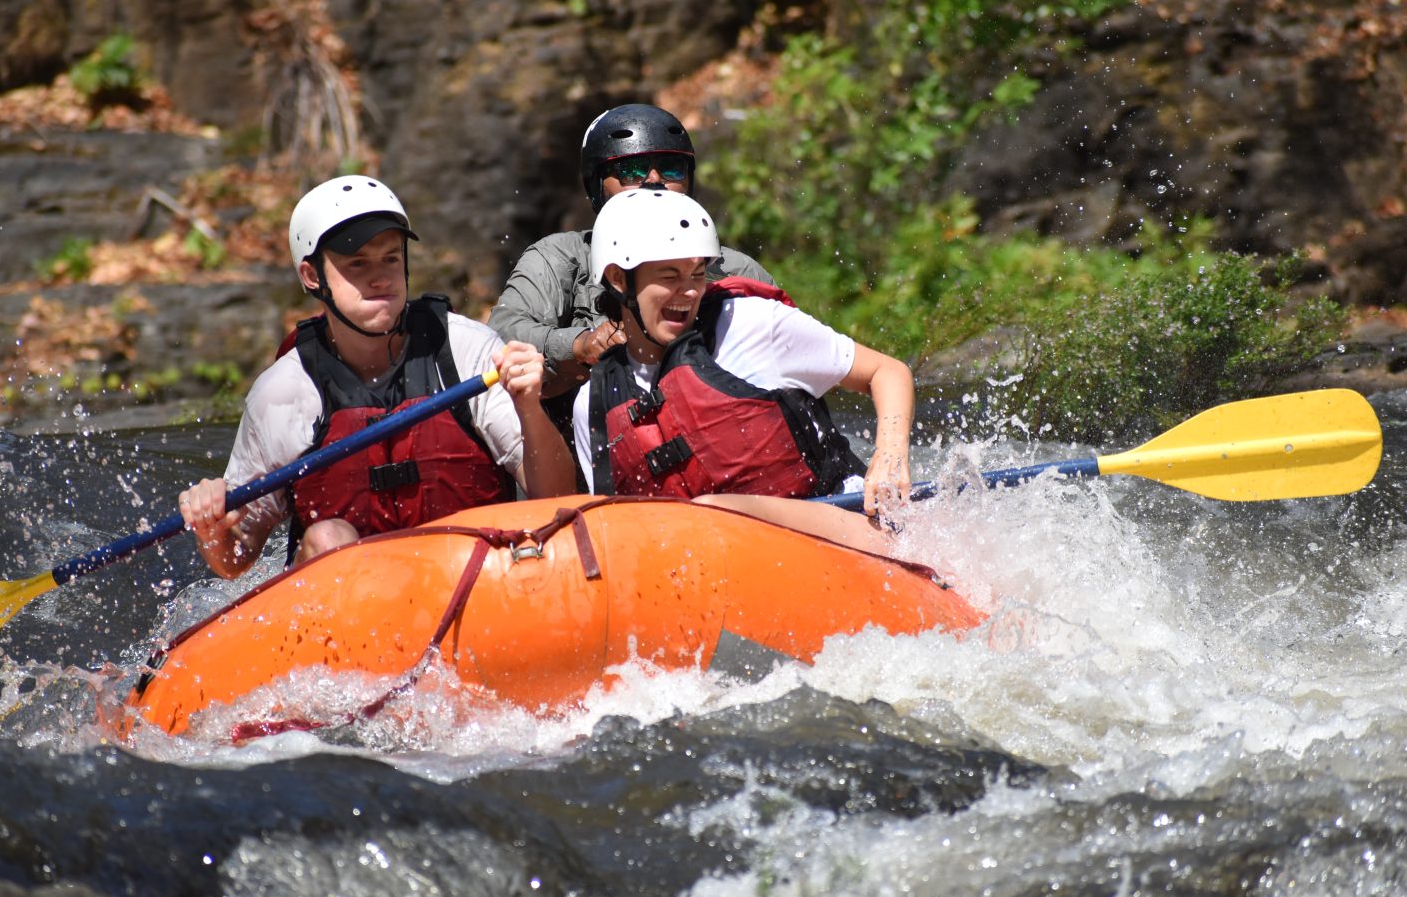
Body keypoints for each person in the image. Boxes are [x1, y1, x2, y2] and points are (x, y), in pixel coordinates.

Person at [179, 175, 577, 578]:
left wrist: (529, 408)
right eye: (357, 263)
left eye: (390, 258)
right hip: (354, 614)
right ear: (312, 276)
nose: (380, 277)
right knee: (327, 537)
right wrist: (213, 530)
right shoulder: (283, 392)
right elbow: (234, 562)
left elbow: (558, 500)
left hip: (474, 584)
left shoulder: (467, 349)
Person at [572, 188, 916, 556]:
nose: (688, 292)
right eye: (670, 276)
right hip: (721, 574)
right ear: (619, 280)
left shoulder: (751, 325)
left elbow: (886, 371)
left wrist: (890, 456)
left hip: (849, 532)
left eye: (697, 274)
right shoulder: (592, 403)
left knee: (709, 513)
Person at [490, 103, 775, 406]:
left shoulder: (735, 269)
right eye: (631, 170)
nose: (653, 180)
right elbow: (500, 336)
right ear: (597, 186)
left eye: (671, 168)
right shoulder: (559, 257)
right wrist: (580, 345)